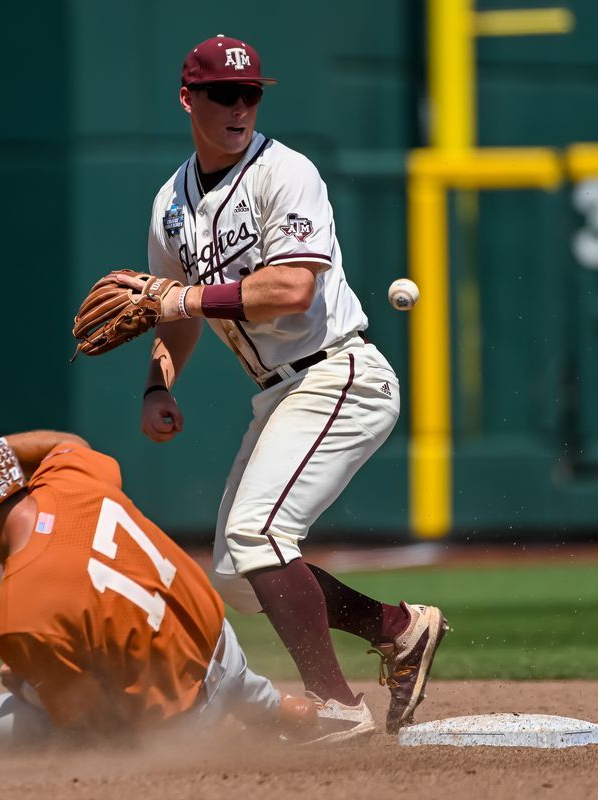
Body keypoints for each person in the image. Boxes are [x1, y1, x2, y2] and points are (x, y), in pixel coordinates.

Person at [131, 34, 449, 737]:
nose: (239, 106)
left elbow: (293, 289)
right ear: (189, 99)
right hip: (279, 392)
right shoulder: (170, 207)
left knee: (259, 533)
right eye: (223, 94)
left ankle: (335, 705)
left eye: (250, 94)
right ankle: (399, 628)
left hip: (339, 375)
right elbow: (172, 310)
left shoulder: (286, 172)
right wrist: (157, 386)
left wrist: (182, 301)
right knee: (238, 575)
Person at [0, 427, 328, 747]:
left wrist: (28, 681)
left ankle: (225, 730)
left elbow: (87, 717)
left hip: (181, 720)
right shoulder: (71, 480)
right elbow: (66, 442)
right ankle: (275, 706)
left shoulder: (18, 614)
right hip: (224, 650)